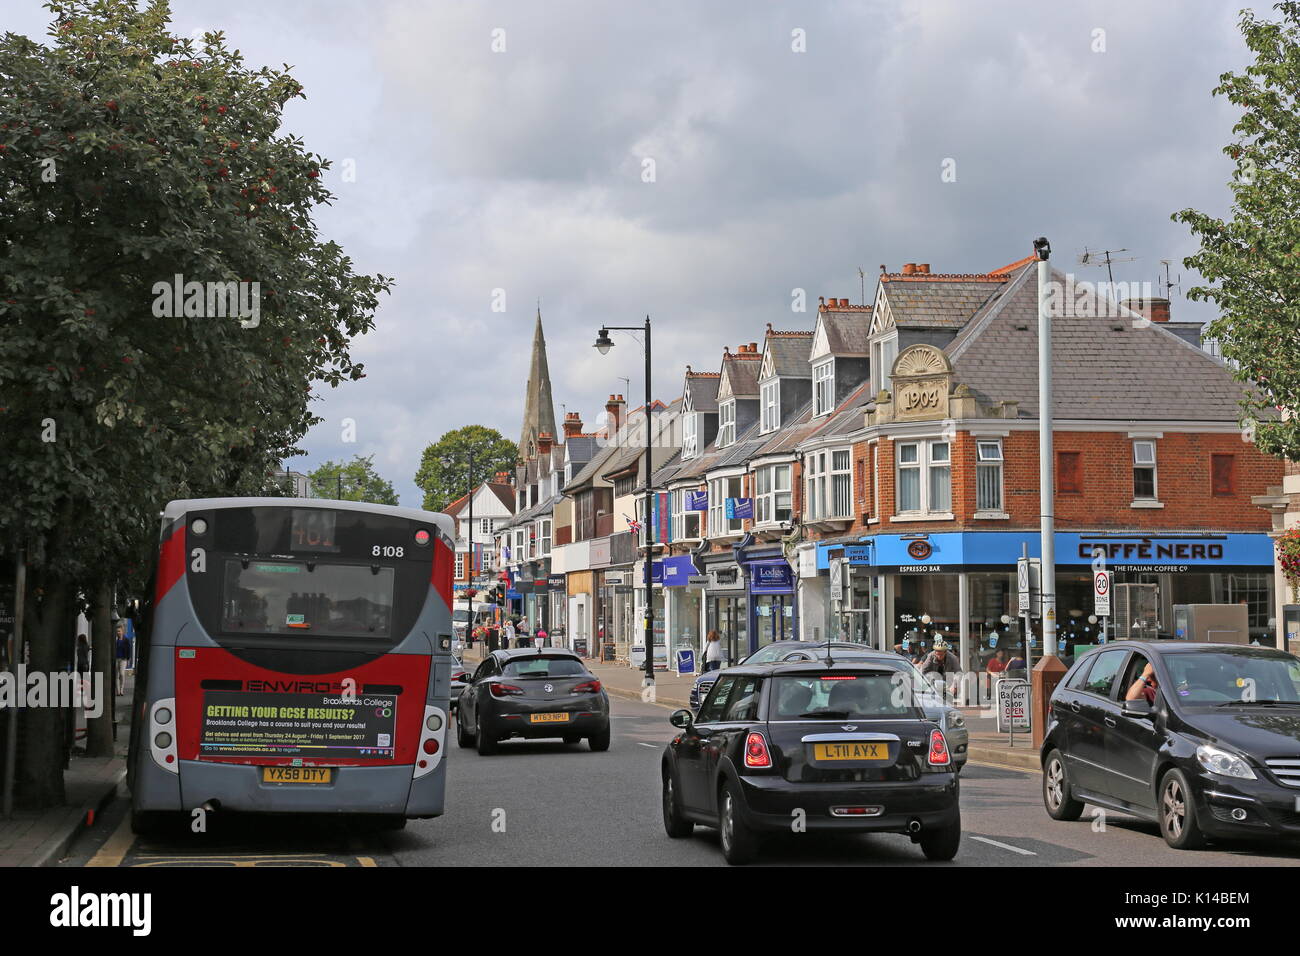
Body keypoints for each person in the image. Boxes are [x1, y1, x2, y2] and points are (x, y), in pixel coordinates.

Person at [114, 623, 131, 696]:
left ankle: (122, 689)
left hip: (123, 659)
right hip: (116, 659)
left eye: (119, 631)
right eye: (117, 631)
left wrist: (128, 658)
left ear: (122, 631)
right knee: (116, 675)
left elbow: (129, 649)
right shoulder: (115, 640)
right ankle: (118, 691)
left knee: (122, 674)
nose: (118, 632)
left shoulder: (126, 640)